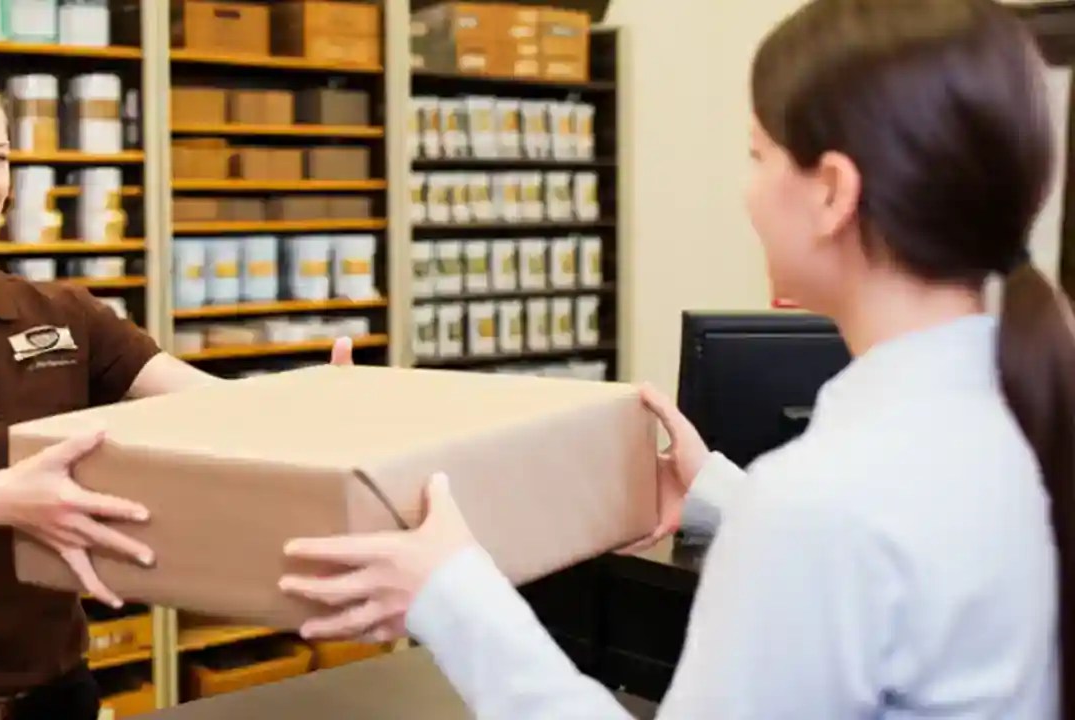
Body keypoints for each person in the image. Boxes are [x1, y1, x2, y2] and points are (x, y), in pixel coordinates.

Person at [278, 0, 1074, 717]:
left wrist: (452, 596)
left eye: (758, 154)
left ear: (832, 192)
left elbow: (840, 538)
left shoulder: (826, 504)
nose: (747, 189)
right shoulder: (1016, 416)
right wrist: (720, 494)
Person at [0, 57, 354, 718]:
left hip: (57, 697)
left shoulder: (63, 313)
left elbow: (208, 404)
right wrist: (6, 499)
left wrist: (317, 407)